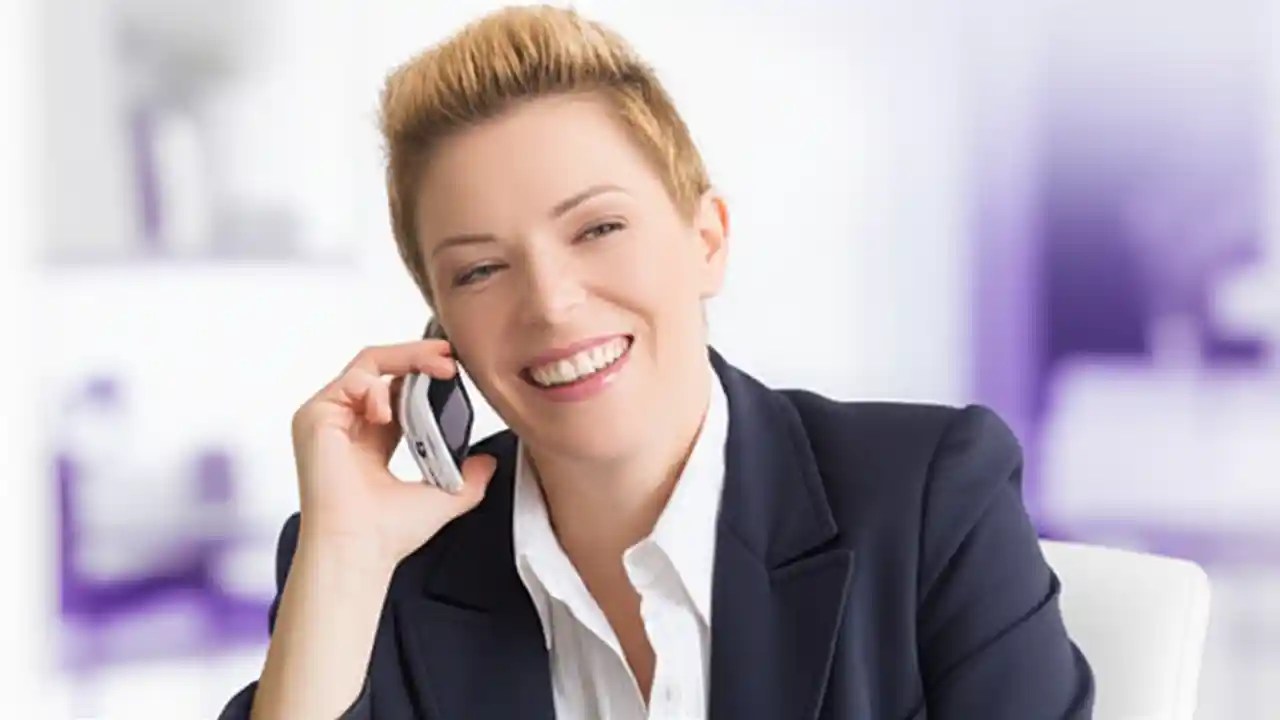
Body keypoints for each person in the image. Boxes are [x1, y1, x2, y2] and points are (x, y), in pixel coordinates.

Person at [221, 5, 1094, 719]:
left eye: (598, 228)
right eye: (480, 270)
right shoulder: (379, 572)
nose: (552, 302)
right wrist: (340, 560)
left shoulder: (928, 499)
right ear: (438, 328)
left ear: (706, 239)